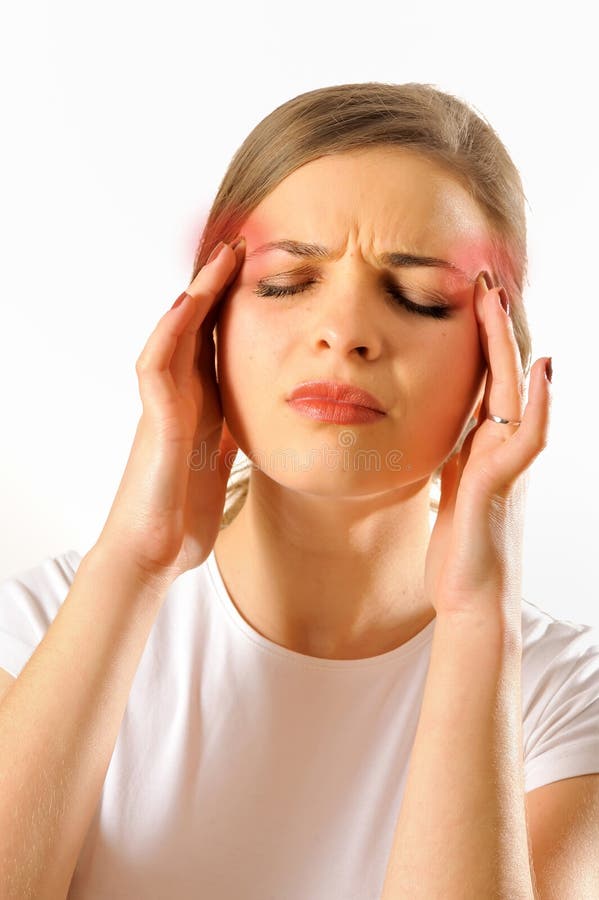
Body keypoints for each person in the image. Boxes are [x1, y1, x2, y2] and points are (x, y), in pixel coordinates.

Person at [0, 81, 598, 899]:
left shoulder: (562, 700)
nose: (343, 332)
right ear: (205, 324)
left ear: (493, 360)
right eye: (287, 283)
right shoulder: (38, 628)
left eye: (418, 297)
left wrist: (476, 619)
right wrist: (134, 562)